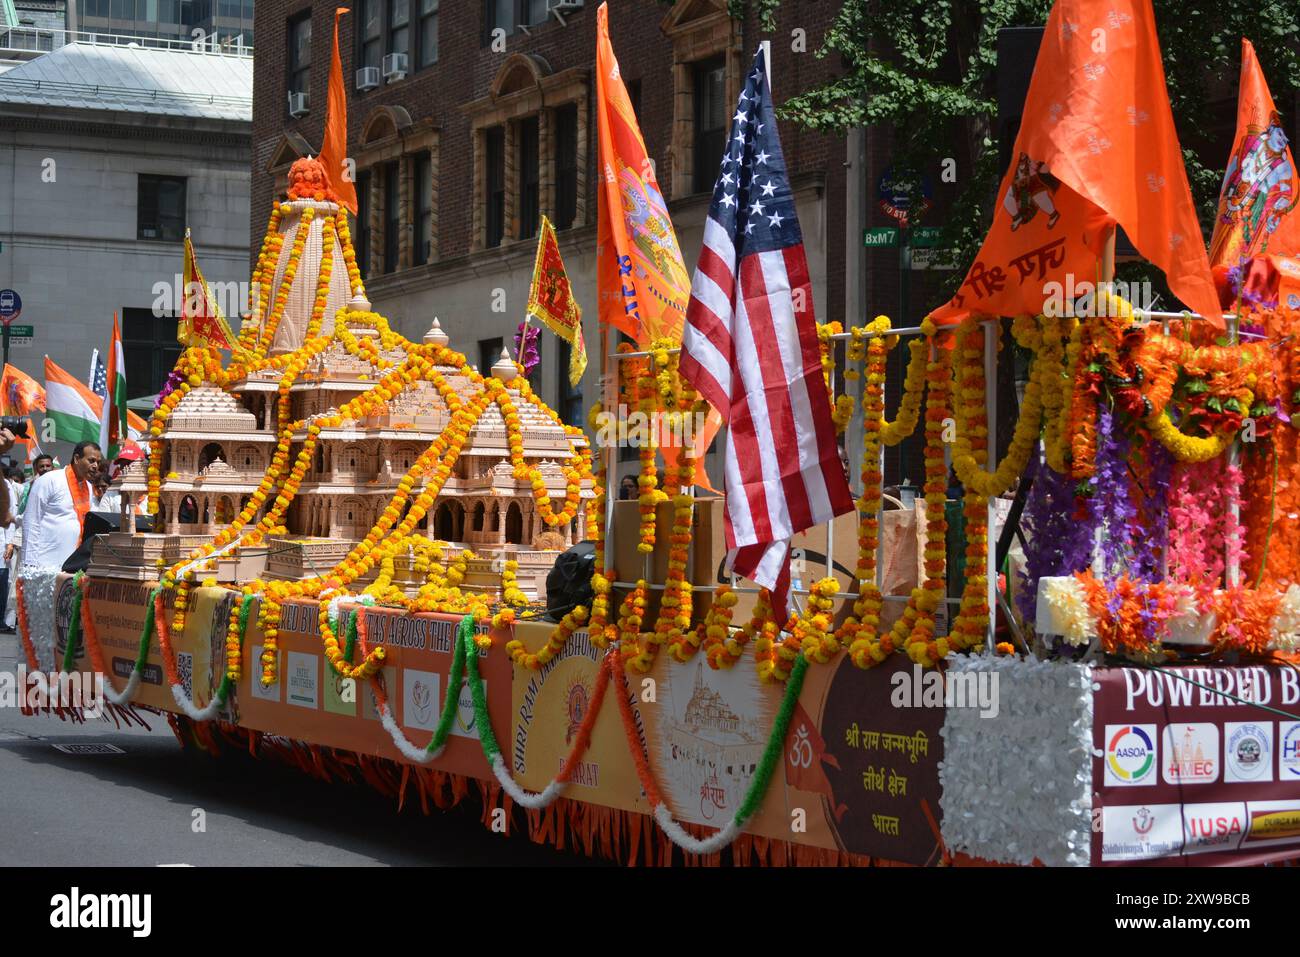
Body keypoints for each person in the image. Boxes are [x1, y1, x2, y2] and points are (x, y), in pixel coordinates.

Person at [22, 441, 101, 572]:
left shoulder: (88, 487)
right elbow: (31, 521)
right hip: (44, 565)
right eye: (91, 460)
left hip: (74, 566)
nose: (95, 466)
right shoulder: (50, 480)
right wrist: (29, 566)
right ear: (76, 459)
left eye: (98, 462)